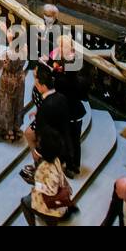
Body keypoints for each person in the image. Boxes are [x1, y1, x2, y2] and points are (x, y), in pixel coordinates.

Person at [50, 36, 89, 178]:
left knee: (65, 139)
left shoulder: (61, 82)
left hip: (66, 113)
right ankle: (75, 166)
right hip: (78, 112)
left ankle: (67, 163)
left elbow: (57, 84)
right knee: (75, 140)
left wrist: (56, 72)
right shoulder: (81, 81)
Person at [19, 134, 74, 226]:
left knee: (24, 202)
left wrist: (34, 182)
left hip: (52, 206)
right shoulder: (56, 159)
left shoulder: (44, 168)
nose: (37, 144)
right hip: (63, 199)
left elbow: (50, 191)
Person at [0, 25, 27, 142]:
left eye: (10, 31)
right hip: (19, 79)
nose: (8, 32)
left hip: (8, 80)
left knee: (7, 105)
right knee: (16, 103)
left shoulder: (10, 51)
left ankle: (8, 130)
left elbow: (3, 65)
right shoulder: (24, 47)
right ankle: (15, 127)